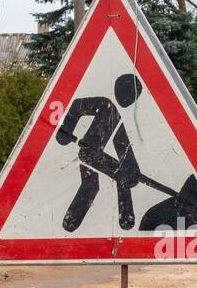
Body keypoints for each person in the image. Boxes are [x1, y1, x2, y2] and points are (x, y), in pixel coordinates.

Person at [54, 74, 144, 232]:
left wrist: (133, 169)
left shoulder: (117, 118)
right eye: (131, 96)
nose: (131, 101)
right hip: (89, 152)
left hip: (91, 155)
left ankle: (70, 222)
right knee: (119, 176)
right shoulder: (105, 104)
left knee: (92, 185)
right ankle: (126, 216)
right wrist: (65, 130)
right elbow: (77, 106)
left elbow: (122, 145)